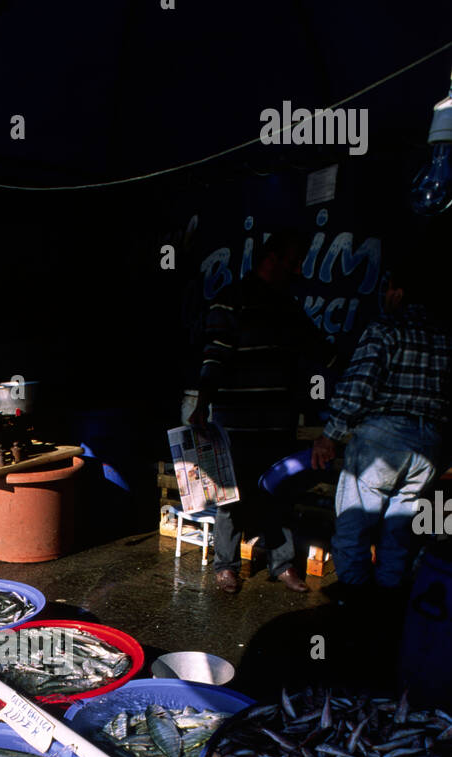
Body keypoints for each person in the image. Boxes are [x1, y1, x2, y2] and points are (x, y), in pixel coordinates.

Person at [190, 228, 333, 594]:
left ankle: (282, 564)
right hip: (235, 424)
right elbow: (214, 357)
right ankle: (226, 566)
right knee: (229, 498)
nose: (297, 269)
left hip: (278, 423)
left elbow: (315, 351)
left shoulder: (287, 306)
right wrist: (202, 406)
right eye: (292, 261)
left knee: (280, 495)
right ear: (271, 259)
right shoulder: (231, 300)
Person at [311, 254, 452, 594]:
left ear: (399, 293)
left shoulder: (386, 328)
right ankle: (388, 601)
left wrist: (330, 436)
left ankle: (353, 598)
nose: (385, 296)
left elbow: (358, 387)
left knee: (354, 523)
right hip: (429, 445)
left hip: (384, 441)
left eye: (388, 289)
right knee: (398, 528)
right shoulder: (446, 336)